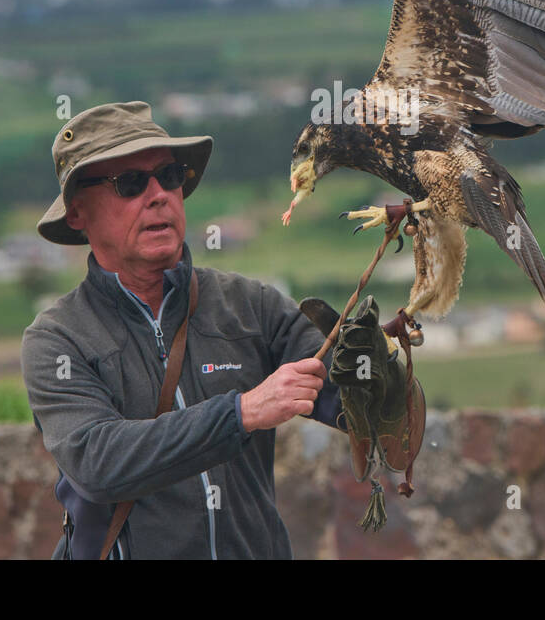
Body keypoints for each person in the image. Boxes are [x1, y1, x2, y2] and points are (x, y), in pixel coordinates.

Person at [22, 100, 418, 559]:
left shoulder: (253, 306)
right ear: (77, 213)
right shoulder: (57, 340)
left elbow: (362, 410)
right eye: (130, 183)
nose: (159, 195)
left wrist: (378, 367)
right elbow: (99, 461)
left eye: (168, 176)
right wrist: (241, 412)